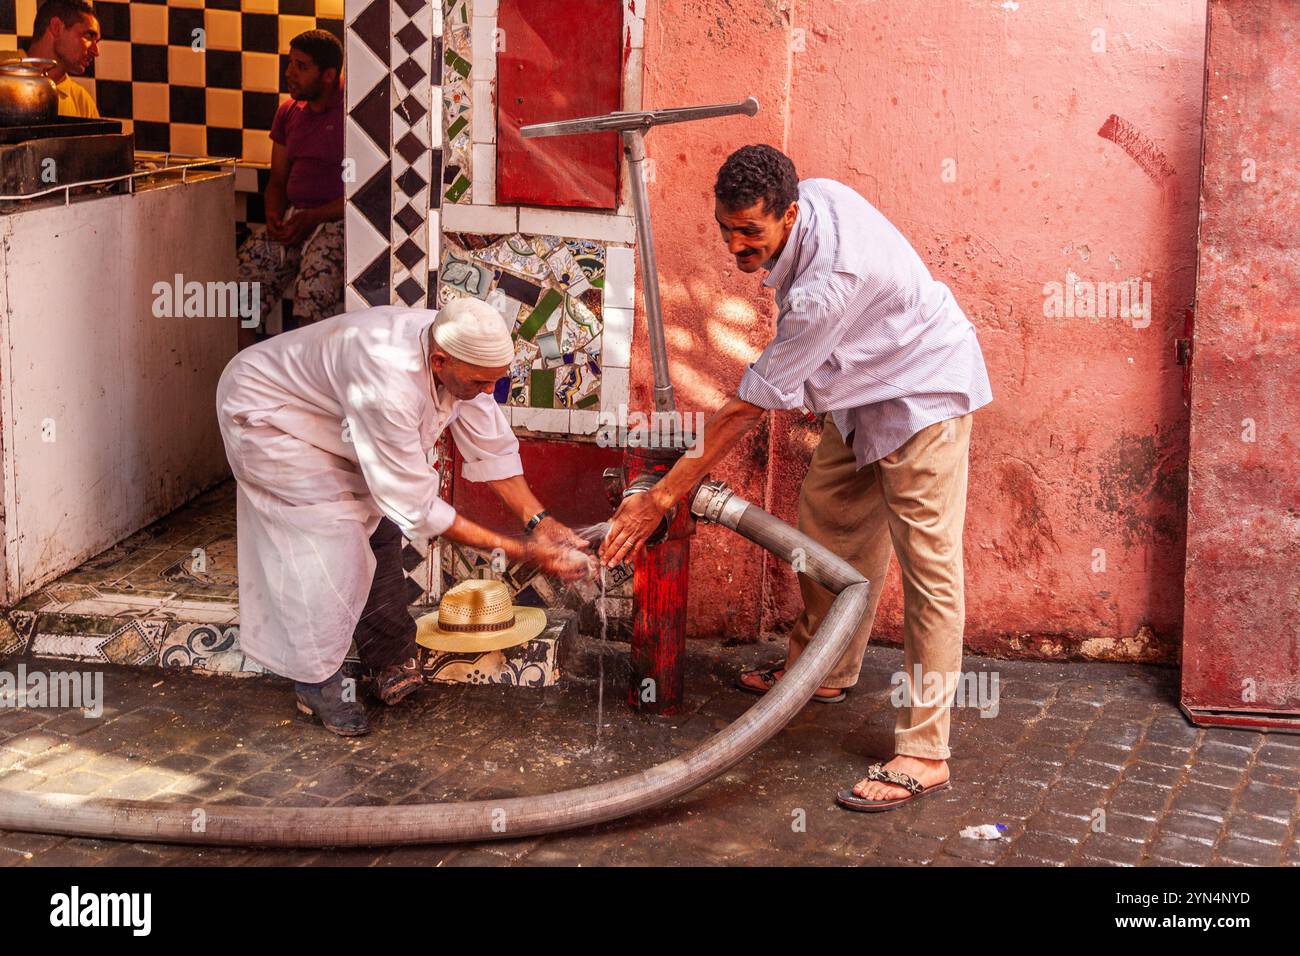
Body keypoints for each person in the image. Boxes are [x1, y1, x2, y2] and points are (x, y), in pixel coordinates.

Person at [601, 144, 993, 812]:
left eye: (751, 233)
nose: (736, 246)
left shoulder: (826, 286)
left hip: (924, 397)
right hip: (861, 392)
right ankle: (826, 671)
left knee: (930, 575)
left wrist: (666, 493)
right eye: (727, 230)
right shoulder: (810, 194)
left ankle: (926, 752)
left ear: (788, 212)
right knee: (826, 529)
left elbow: (745, 409)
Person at [217, 299, 593, 736]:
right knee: (332, 540)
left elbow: (492, 449)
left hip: (327, 417)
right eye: (482, 383)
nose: (491, 391)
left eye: (498, 381)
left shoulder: (467, 360)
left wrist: (542, 524)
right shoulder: (389, 382)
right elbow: (417, 508)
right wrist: (524, 551)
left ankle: (386, 657)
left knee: (378, 523)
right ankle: (316, 681)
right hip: (269, 416)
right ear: (439, 361)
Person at [236, 29, 345, 349]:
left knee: (313, 297)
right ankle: (247, 382)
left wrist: (313, 218)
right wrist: (273, 215)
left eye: (301, 66)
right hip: (293, 217)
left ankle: (310, 390)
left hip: (335, 221)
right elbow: (278, 181)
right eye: (289, 63)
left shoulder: (353, 115)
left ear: (328, 75)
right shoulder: (288, 113)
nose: (289, 73)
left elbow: (364, 193)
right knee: (236, 294)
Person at [24, 0, 100, 118]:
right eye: (89, 36)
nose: (96, 52)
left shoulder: (82, 102)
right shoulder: (3, 72)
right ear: (56, 27)